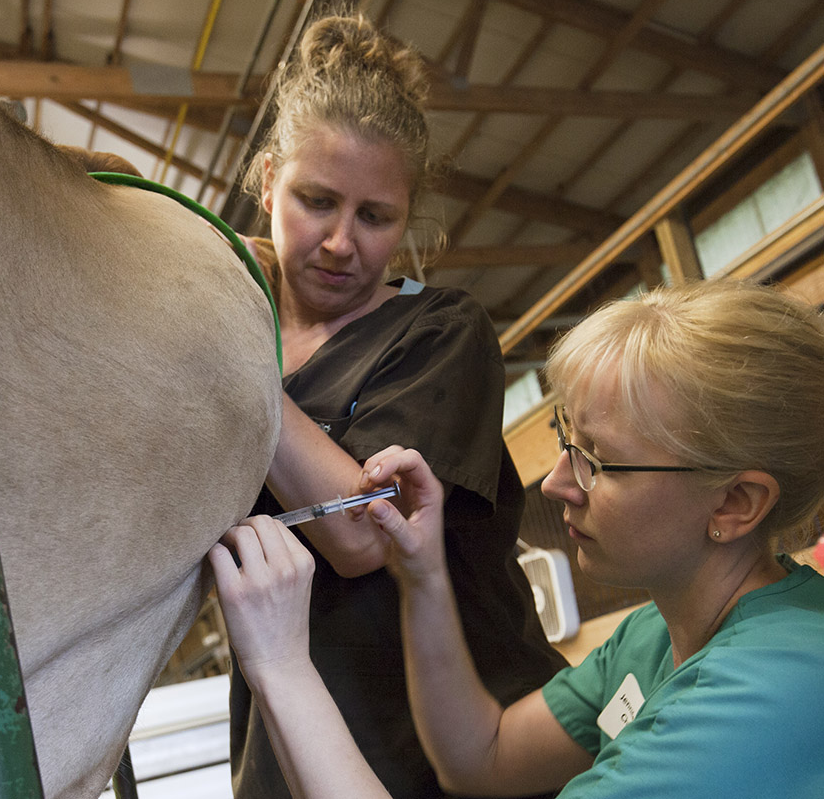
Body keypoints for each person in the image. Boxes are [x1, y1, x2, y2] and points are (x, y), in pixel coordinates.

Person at [210, 279, 824, 799]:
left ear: (736, 503)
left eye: (597, 462)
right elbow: (483, 755)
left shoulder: (765, 691)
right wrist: (421, 575)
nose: (557, 483)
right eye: (567, 440)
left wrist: (281, 666)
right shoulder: (657, 636)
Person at [226, 10, 566, 799]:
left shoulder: (442, 330)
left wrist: (222, 347)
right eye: (316, 200)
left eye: (375, 217)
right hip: (295, 741)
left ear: (410, 215)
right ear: (269, 178)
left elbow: (358, 535)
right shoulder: (241, 314)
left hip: (452, 749)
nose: (342, 242)